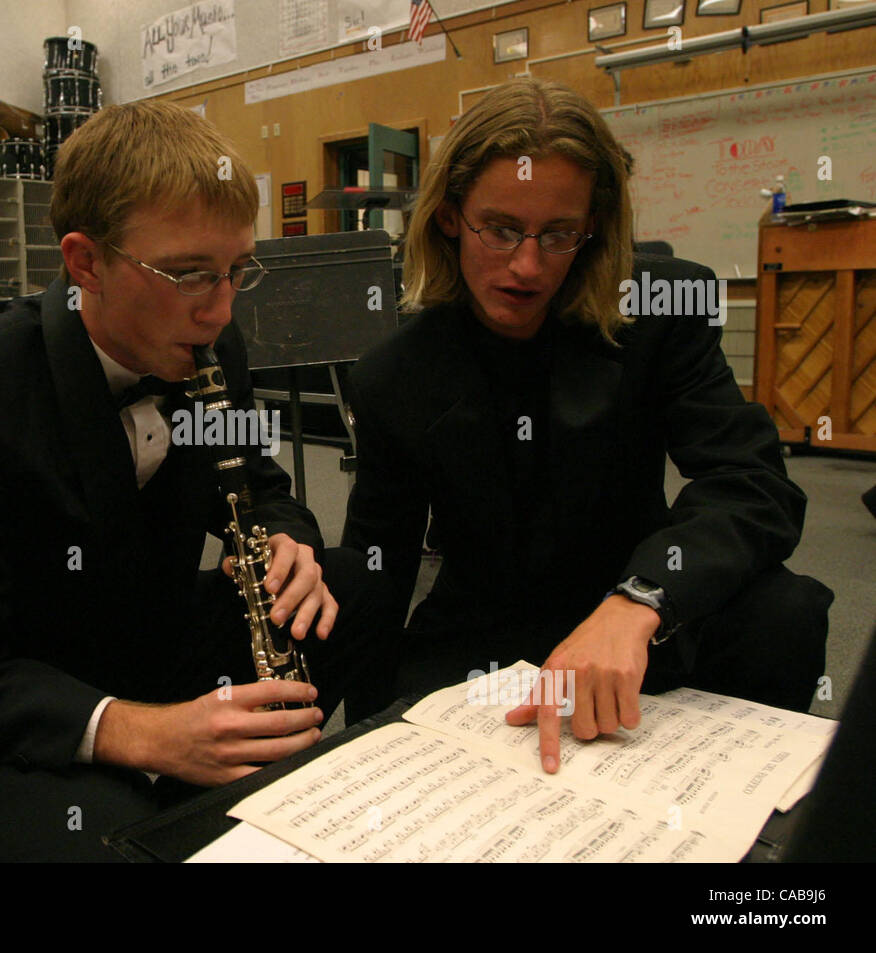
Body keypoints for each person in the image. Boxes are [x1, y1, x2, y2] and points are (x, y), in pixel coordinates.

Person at [0, 101, 396, 861]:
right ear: (85, 261)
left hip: (146, 640)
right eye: (190, 274)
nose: (221, 309)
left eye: (235, 271)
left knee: (350, 587)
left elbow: (258, 483)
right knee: (108, 835)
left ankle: (209, 801)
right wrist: (146, 732)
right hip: (14, 702)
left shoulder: (210, 340)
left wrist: (288, 538)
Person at [341, 78, 832, 774]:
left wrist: (641, 599)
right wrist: (365, 743)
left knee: (784, 611)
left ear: (594, 226)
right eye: (501, 228)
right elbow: (378, 570)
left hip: (637, 613)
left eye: (560, 233)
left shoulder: (661, 311)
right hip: (485, 634)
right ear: (449, 216)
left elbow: (753, 484)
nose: (528, 264)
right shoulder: (392, 373)